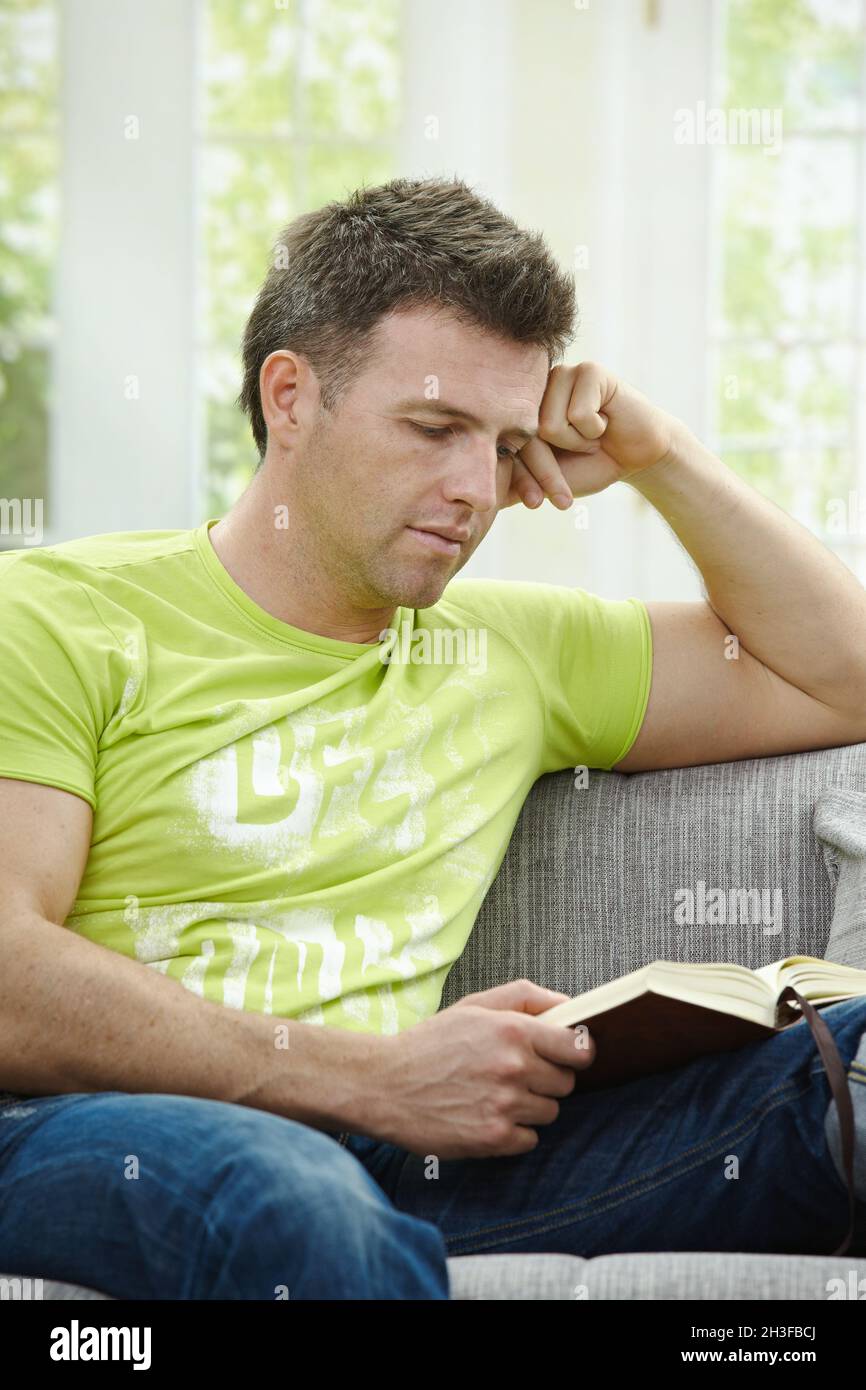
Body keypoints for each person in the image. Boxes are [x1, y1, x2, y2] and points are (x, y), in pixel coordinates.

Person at [1, 176, 865, 1300]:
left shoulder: (513, 649)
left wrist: (659, 455)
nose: (472, 490)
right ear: (290, 397)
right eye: (432, 428)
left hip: (404, 1162)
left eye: (504, 445)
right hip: (92, 1136)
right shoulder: (59, 617)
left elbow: (839, 675)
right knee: (286, 1191)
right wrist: (374, 1075)